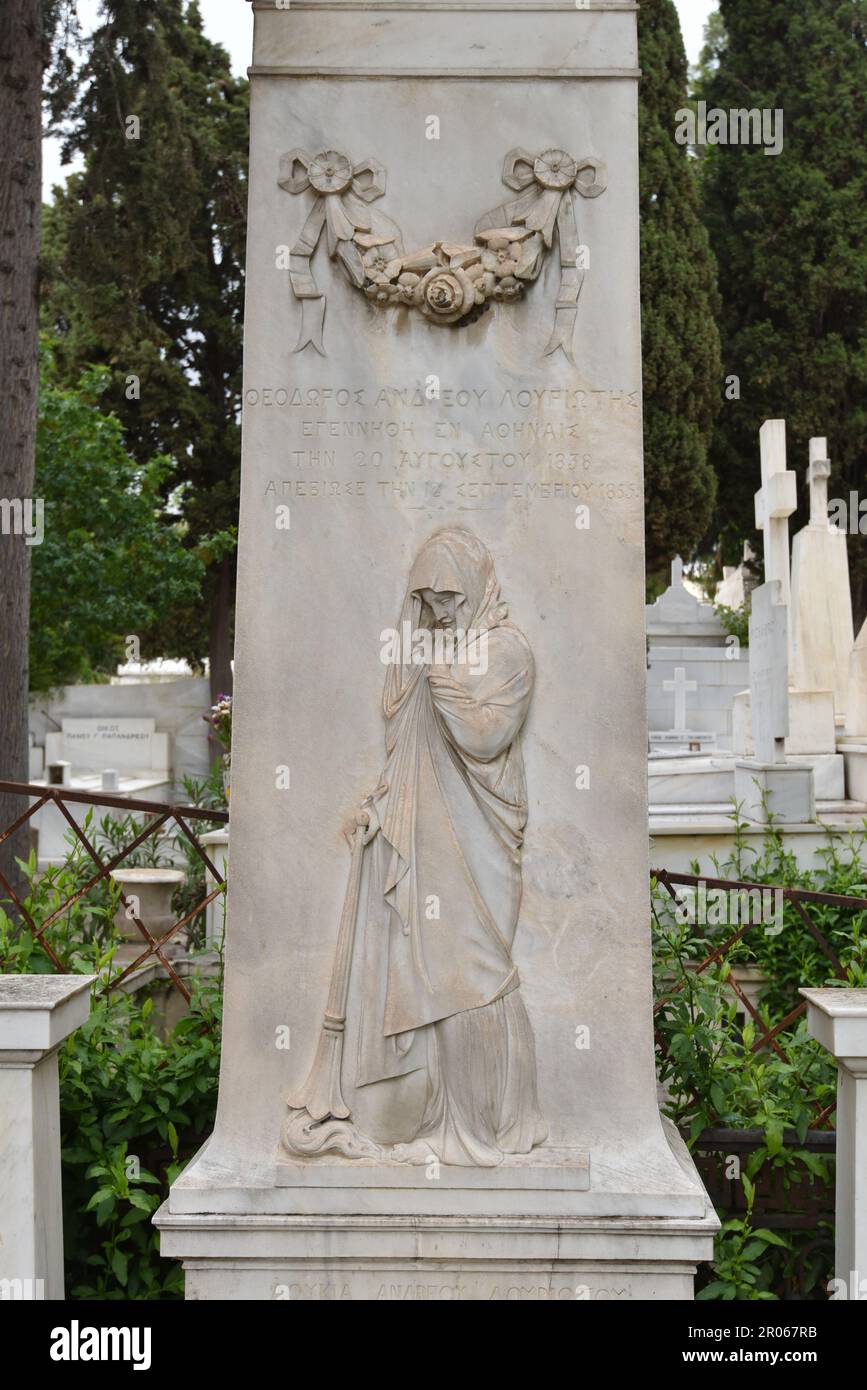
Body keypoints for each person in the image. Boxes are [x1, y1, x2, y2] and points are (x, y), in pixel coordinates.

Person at [353, 527, 548, 1166]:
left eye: (449, 599)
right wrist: (381, 808)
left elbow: (487, 736)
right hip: (430, 834)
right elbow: (407, 745)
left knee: (477, 971)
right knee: (434, 970)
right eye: (428, 601)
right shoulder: (441, 648)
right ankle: (444, 1122)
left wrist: (436, 672)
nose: (437, 613)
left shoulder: (508, 651)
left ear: (478, 586)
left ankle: (495, 1125)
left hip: (481, 836)